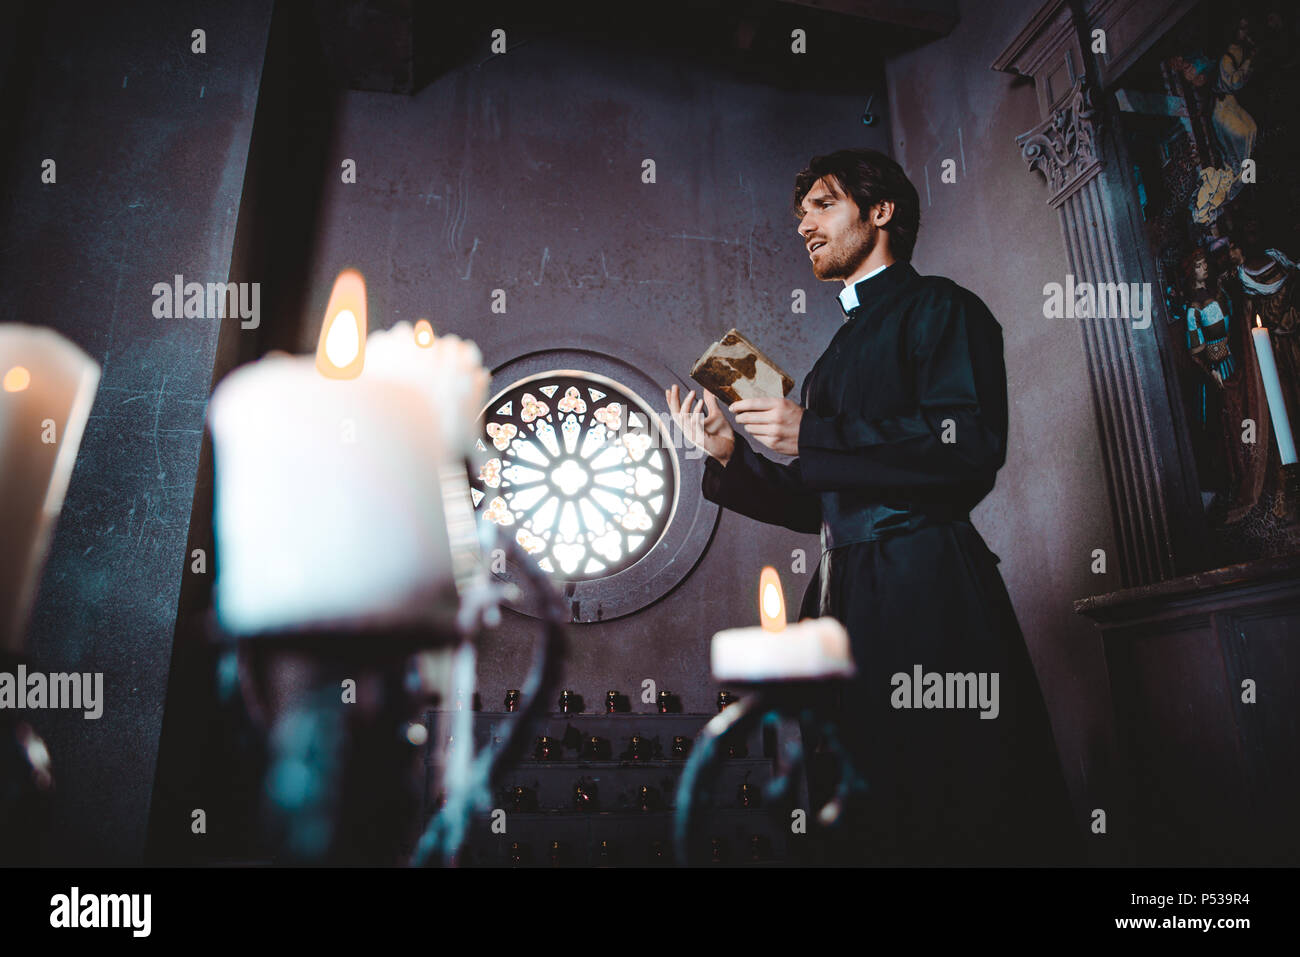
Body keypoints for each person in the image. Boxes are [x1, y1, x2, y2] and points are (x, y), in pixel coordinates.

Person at [665, 148, 1079, 866]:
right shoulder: (834, 355)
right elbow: (817, 501)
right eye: (800, 216)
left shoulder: (945, 308)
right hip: (842, 594)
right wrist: (730, 457)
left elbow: (970, 445)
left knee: (949, 792)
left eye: (822, 206)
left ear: (880, 211)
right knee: (862, 801)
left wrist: (813, 430)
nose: (804, 227)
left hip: (927, 584)